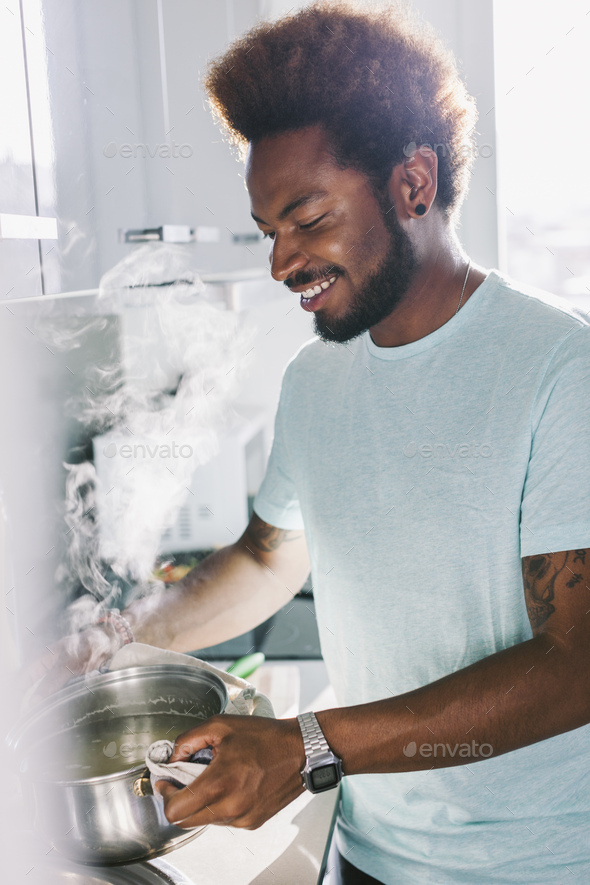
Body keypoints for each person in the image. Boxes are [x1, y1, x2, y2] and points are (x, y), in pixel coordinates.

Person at [30, 3, 590, 882]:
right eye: (268, 231)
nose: (281, 262)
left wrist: (309, 743)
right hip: (364, 853)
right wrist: (117, 633)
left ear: (413, 183)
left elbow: (576, 663)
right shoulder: (314, 380)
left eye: (307, 217)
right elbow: (266, 557)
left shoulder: (561, 366)